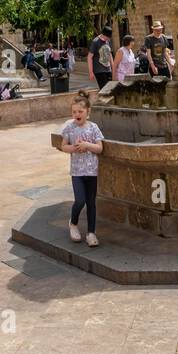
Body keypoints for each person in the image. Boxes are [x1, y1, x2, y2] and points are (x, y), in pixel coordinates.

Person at [60, 92, 104, 248]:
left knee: (91, 202)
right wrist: (73, 148)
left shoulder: (93, 128)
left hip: (92, 171)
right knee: (80, 200)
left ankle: (91, 233)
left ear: (88, 112)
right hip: (77, 171)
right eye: (74, 112)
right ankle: (73, 223)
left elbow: (99, 148)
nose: (77, 114)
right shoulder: (70, 128)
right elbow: (63, 146)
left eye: (80, 111)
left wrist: (87, 146)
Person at [88, 25, 113, 90]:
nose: (108, 38)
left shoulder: (107, 41)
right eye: (107, 37)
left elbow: (110, 55)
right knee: (104, 90)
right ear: (103, 34)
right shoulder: (95, 42)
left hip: (108, 69)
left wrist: (113, 68)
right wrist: (91, 72)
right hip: (99, 70)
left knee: (111, 89)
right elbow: (89, 57)